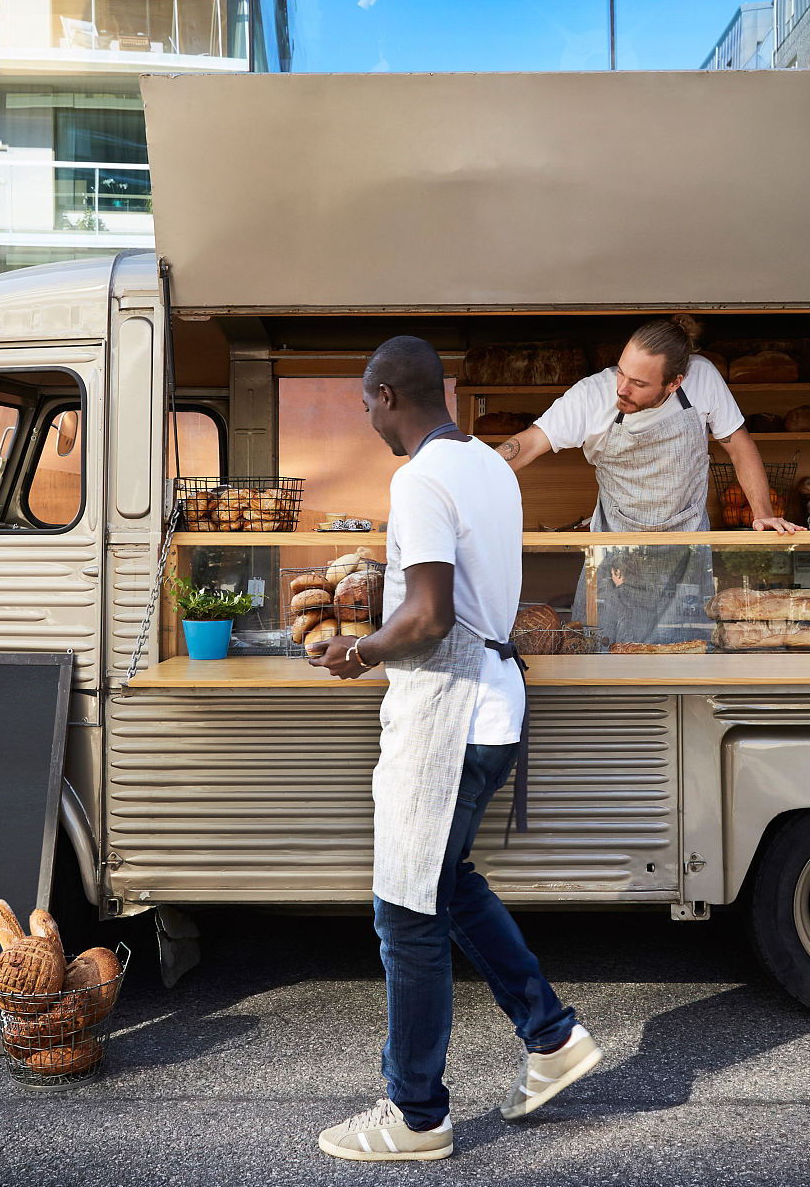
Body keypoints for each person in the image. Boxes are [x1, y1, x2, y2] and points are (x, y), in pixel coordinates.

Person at [308, 335, 600, 1162]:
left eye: (367, 404)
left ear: (390, 396)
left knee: (405, 910)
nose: (367, 421)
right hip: (494, 705)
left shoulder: (421, 477)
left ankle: (417, 1114)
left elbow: (430, 614)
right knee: (448, 882)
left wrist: (357, 652)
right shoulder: (488, 467)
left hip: (449, 714)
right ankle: (551, 1037)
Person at [495, 314, 800, 645]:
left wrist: (763, 512)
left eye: (638, 384)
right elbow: (528, 444)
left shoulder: (704, 381)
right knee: (600, 662)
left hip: (685, 561)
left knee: (684, 665)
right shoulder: (592, 396)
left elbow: (738, 445)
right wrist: (465, 477)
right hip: (615, 564)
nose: (622, 389)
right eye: (621, 372)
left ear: (674, 383)